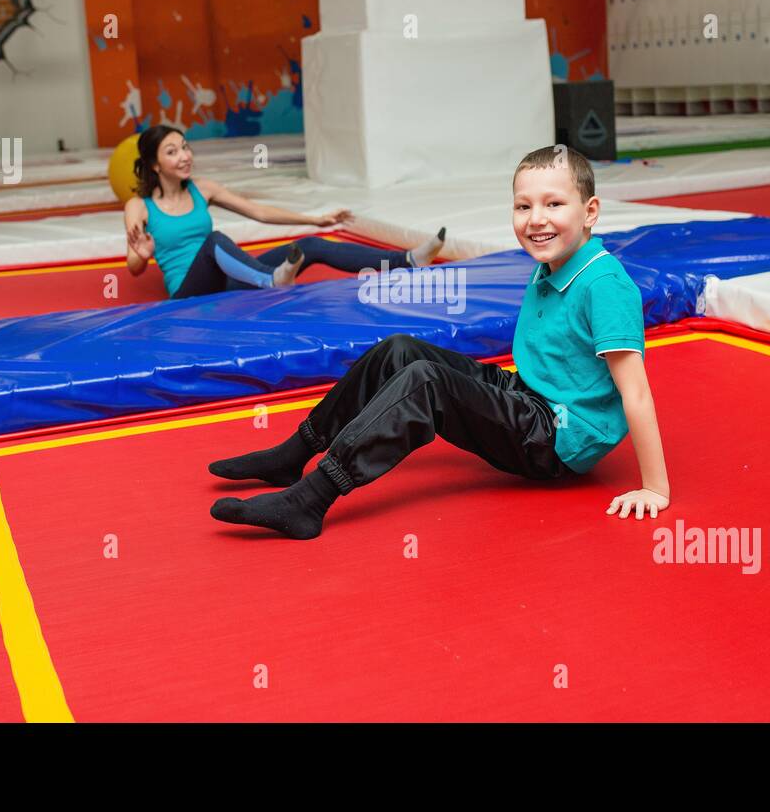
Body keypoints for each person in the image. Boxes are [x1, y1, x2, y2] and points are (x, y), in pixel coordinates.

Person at [208, 144, 671, 539]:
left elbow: (636, 392)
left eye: (554, 205)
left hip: (555, 438)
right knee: (400, 350)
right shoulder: (553, 262)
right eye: (523, 206)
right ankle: (296, 452)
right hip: (532, 397)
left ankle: (312, 498)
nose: (536, 220)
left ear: (590, 211)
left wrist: (655, 488)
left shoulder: (603, 284)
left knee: (425, 382)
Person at [123, 125, 446, 298]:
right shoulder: (139, 206)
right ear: (154, 164)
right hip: (187, 294)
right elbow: (134, 266)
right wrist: (142, 253)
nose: (184, 156)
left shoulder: (203, 189)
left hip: (229, 283)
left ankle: (407, 261)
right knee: (215, 241)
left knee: (309, 246)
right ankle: (269, 280)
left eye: (185, 147)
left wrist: (314, 219)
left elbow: (258, 211)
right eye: (172, 151)